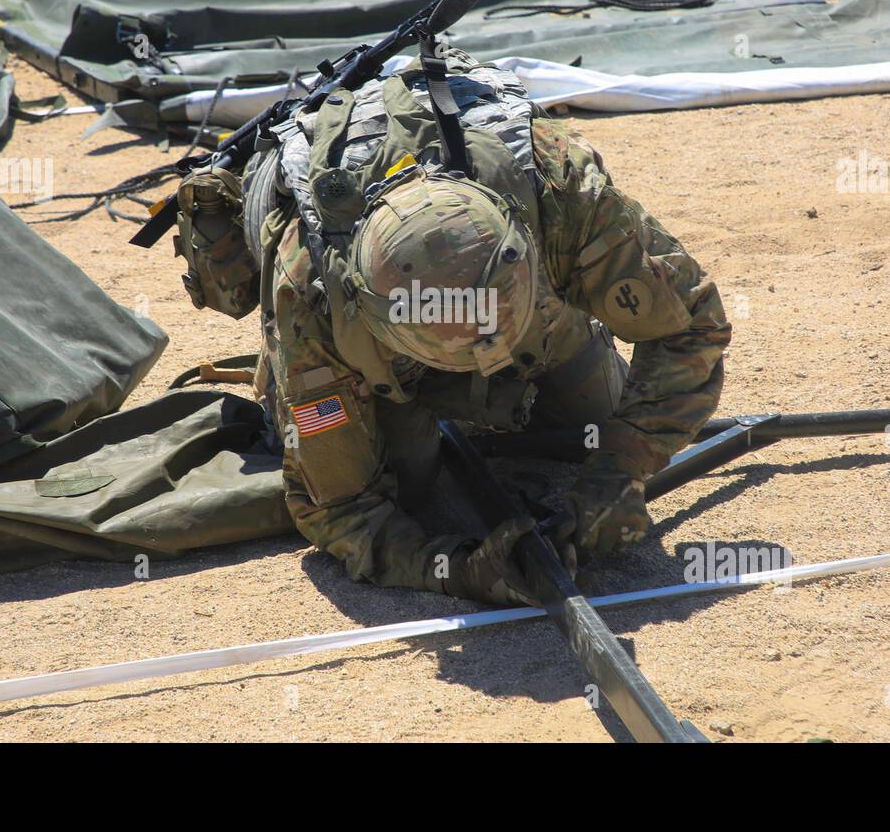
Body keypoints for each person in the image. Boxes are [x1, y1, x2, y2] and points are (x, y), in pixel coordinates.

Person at [179, 46, 730, 605]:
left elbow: (691, 327)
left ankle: (519, 362)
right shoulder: (312, 299)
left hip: (534, 326)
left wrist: (620, 470)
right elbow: (340, 512)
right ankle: (411, 400)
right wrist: (456, 571)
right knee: (409, 489)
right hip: (384, 369)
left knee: (595, 420)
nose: (481, 365)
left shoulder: (562, 194)